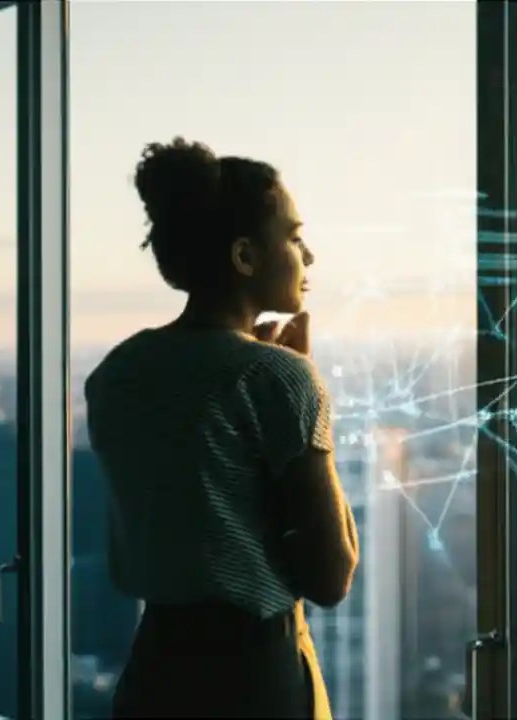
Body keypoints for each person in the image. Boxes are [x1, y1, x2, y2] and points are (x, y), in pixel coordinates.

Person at [84, 137, 358, 719]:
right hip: (251, 675)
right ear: (244, 257)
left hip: (155, 668)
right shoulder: (277, 377)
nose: (308, 257)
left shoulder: (118, 371)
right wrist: (303, 385)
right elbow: (333, 574)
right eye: (292, 235)